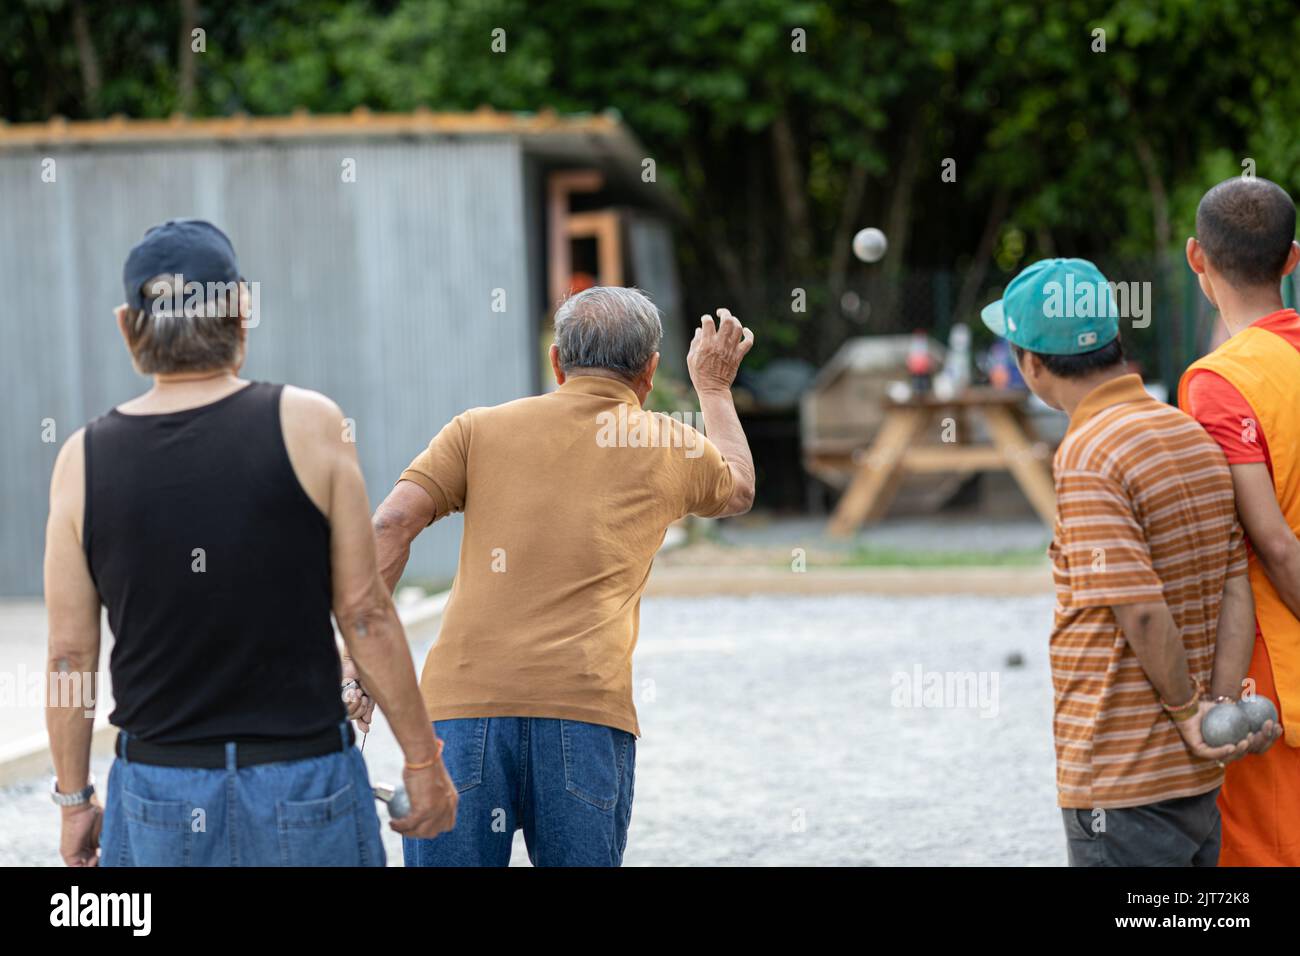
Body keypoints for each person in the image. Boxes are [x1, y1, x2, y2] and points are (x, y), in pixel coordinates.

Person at [44, 219, 457, 866]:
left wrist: (74, 801)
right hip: (302, 779)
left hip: (158, 793)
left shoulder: (81, 461)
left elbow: (70, 658)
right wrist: (422, 760)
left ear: (128, 326)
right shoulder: (310, 423)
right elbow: (364, 613)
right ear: (241, 311)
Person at [360, 286, 755, 866]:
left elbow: (390, 522)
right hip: (585, 716)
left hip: (460, 716)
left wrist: (361, 657)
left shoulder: (476, 430)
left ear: (556, 361)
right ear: (649, 371)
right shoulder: (670, 445)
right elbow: (740, 487)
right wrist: (714, 388)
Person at [981, 257, 1274, 866]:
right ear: (1115, 340)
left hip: (1121, 780)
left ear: (1030, 364)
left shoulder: (1089, 452)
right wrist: (1216, 711)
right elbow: (1233, 586)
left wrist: (1187, 712)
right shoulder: (1187, 433)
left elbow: (1139, 608)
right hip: (1195, 779)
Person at [1181, 176, 1300, 866]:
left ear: (1198, 258)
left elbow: (1276, 546)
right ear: (1292, 260)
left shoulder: (1219, 382)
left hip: (1270, 663)